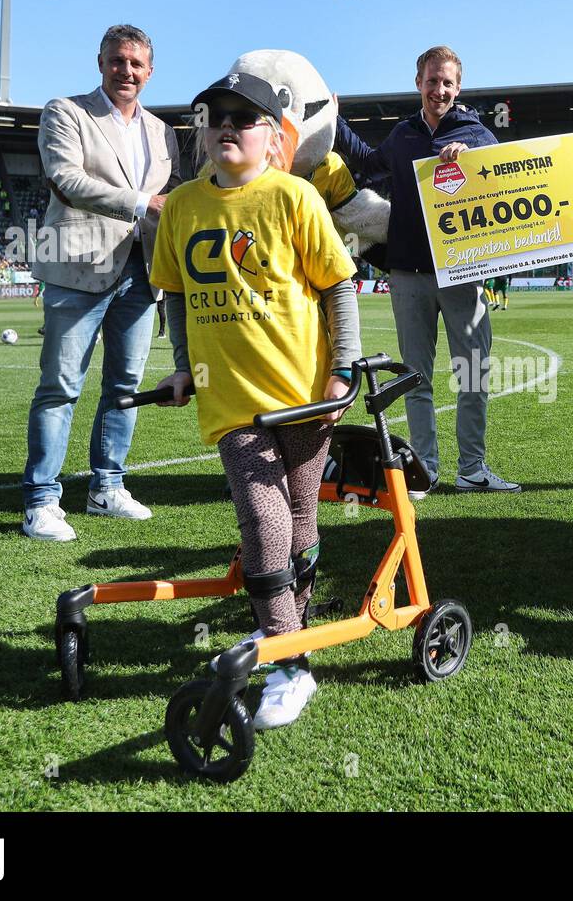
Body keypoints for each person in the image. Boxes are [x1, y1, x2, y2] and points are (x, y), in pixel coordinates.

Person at [150, 72, 361, 730]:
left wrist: (344, 369)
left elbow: (338, 288)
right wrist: (183, 368)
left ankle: (289, 632)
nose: (227, 127)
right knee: (262, 514)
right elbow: (178, 295)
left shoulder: (297, 197)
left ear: (274, 136)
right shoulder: (181, 207)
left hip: (305, 394)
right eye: (215, 116)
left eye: (245, 118)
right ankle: (288, 664)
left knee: (302, 516)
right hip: (231, 399)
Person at [334, 45, 519, 498]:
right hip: (408, 271)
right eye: (432, 80)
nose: (440, 89)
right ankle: (427, 471)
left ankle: (472, 468)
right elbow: (367, 161)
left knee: (472, 373)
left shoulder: (475, 132)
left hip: (461, 273)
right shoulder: (402, 135)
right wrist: (334, 118)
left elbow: (500, 172)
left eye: (448, 82)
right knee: (415, 376)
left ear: (459, 88)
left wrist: (468, 156)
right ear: (418, 82)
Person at [21, 24, 181, 542]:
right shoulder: (65, 112)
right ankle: (41, 502)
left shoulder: (162, 131)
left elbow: (175, 194)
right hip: (78, 270)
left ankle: (106, 486)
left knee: (125, 387)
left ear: (150, 71)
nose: (126, 71)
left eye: (136, 64)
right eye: (117, 61)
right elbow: (66, 180)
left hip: (141, 270)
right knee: (60, 387)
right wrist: (141, 202)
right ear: (100, 62)